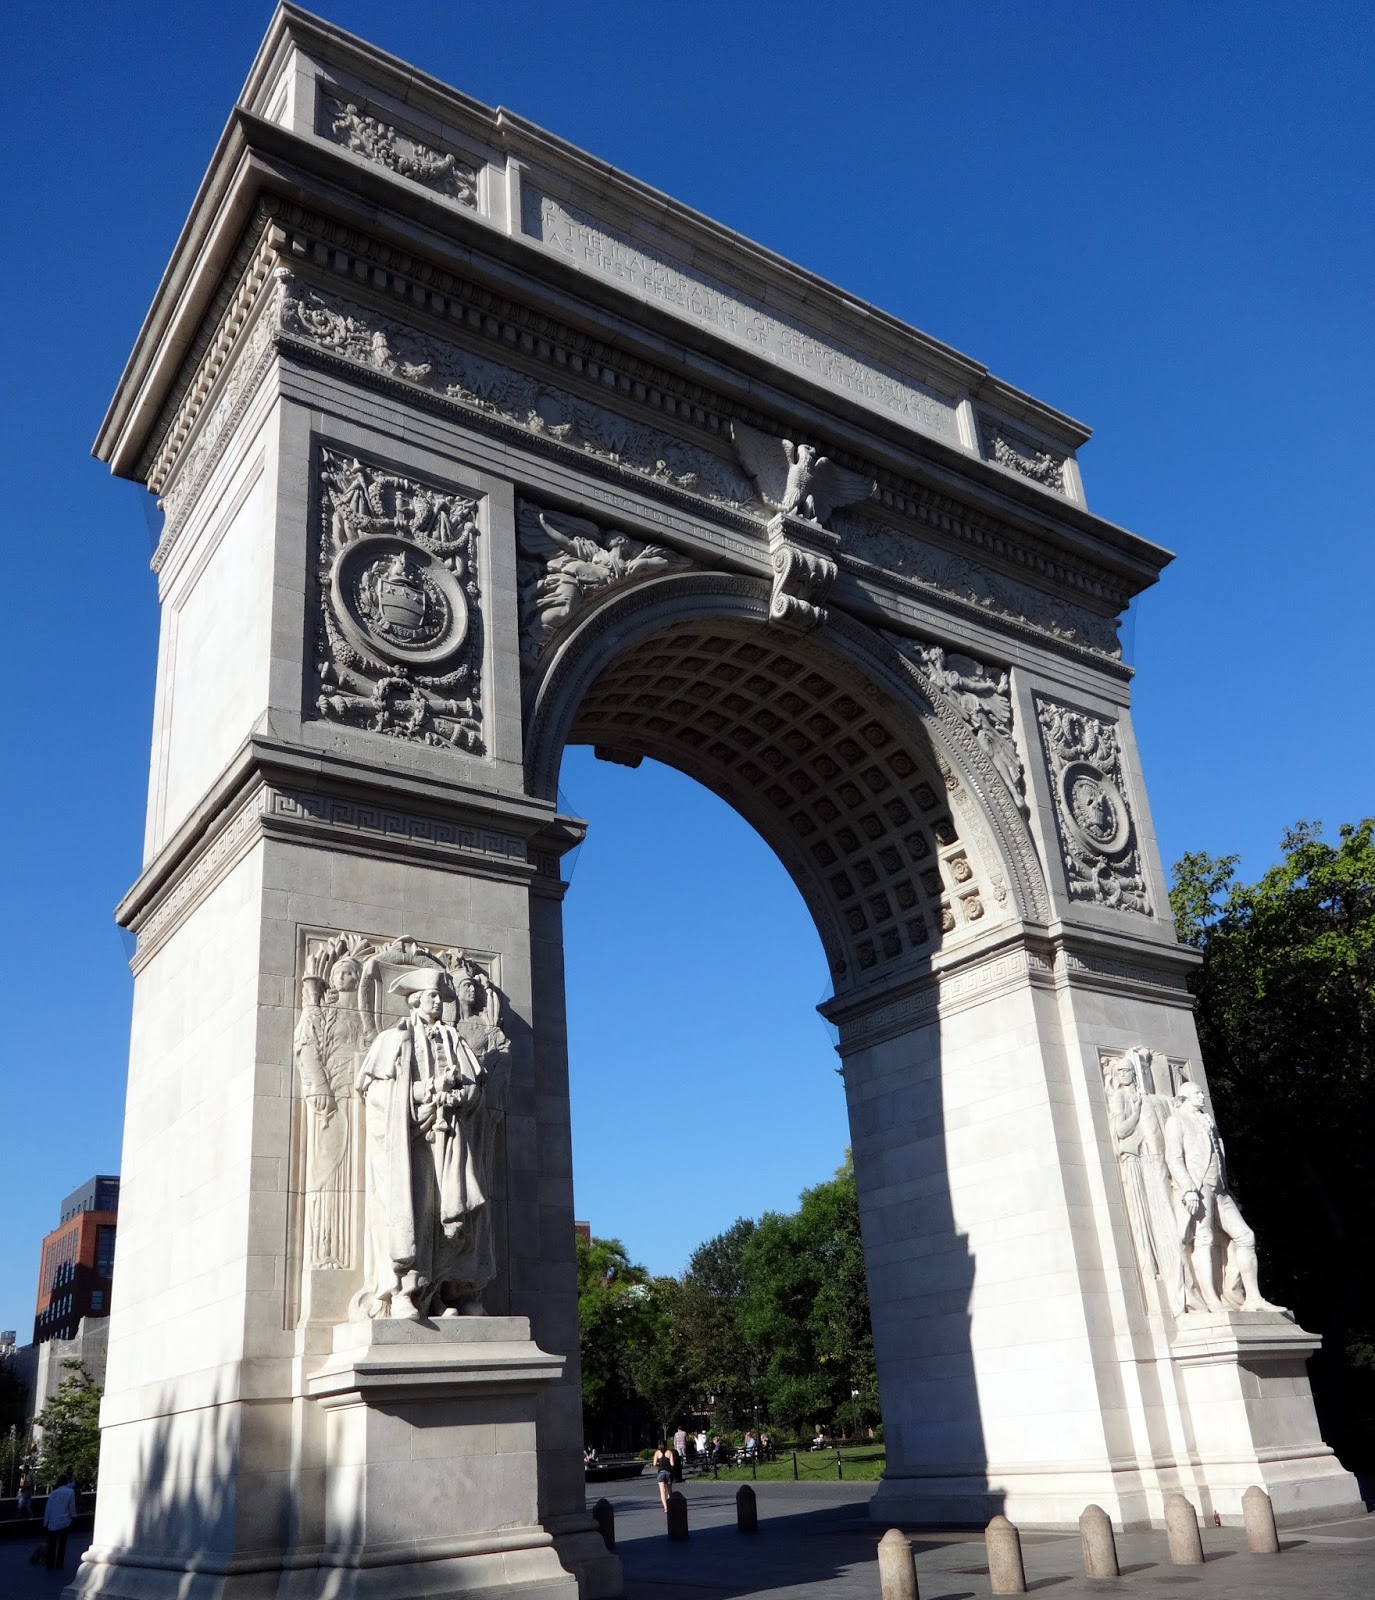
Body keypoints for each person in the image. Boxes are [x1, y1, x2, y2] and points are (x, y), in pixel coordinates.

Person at [355, 966, 490, 1318]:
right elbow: (375, 1091)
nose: (439, 1003)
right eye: (433, 997)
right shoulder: (393, 1040)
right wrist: (424, 1092)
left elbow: (475, 1085)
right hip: (411, 1140)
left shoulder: (453, 1040)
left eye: (442, 998)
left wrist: (460, 1096)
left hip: (451, 1138)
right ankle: (405, 1292)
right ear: (415, 1000)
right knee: (415, 1210)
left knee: (453, 1212)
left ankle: (450, 1291)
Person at [1165, 1081, 1283, 1312]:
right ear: (1185, 1098)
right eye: (1197, 1093)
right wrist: (1188, 1188)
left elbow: (1219, 1157)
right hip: (1199, 1188)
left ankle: (1253, 1298)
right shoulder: (1177, 1121)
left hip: (1220, 1190)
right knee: (1204, 1239)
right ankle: (1211, 1299)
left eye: (1202, 1091)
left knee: (1246, 1236)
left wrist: (1227, 1188)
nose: (1202, 1096)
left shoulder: (1208, 1121)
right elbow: (1174, 1158)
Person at [43, 1472, 77, 1570]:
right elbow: (72, 1507)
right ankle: (59, 1563)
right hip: (64, 1521)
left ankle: (50, 1563)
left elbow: (48, 1508)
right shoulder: (70, 1492)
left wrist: (46, 1522)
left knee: (52, 1544)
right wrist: (73, 1517)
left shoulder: (53, 1493)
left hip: (53, 1521)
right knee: (62, 1543)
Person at [651, 1440, 677, 1513]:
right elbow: (672, 1464)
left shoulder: (657, 1452)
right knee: (669, 1490)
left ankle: (665, 1508)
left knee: (662, 1491)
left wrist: (659, 1465)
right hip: (668, 1473)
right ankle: (670, 1505)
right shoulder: (669, 1452)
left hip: (661, 1473)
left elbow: (654, 1464)